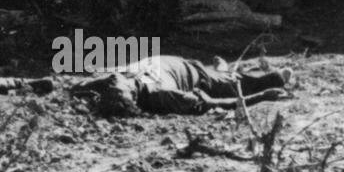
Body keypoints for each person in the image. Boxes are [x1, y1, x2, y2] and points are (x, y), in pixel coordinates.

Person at [69, 55, 291, 116]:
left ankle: (223, 68)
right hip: (192, 74)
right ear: (134, 97)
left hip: (175, 64)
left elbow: (73, 86)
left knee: (223, 76)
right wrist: (261, 96)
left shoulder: (110, 79)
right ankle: (269, 79)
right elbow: (216, 103)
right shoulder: (161, 95)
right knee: (230, 83)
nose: (117, 80)